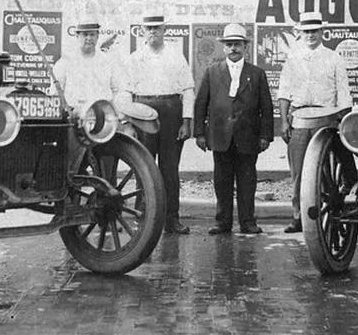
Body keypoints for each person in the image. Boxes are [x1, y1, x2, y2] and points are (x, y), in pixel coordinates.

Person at [116, 13, 194, 235]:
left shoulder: (176, 56)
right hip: (142, 112)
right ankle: (143, 219)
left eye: (157, 28)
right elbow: (125, 93)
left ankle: (172, 220)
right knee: (143, 168)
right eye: (148, 28)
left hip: (171, 112)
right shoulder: (135, 58)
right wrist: (127, 122)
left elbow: (188, 90)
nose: (153, 32)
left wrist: (186, 121)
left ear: (164, 30)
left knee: (170, 169)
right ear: (142, 31)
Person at [193, 24, 274, 235]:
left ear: (245, 47)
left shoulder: (256, 74)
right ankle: (223, 222)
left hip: (248, 136)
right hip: (221, 136)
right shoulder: (212, 72)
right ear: (223, 48)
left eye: (237, 44)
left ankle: (248, 222)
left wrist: (265, 136)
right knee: (222, 181)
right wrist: (200, 133)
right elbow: (201, 104)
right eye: (229, 45)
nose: (233, 49)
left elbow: (266, 107)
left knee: (247, 181)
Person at [276, 11, 352, 233]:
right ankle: (298, 217)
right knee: (298, 172)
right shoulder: (293, 59)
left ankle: (345, 202)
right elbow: (284, 93)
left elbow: (344, 93)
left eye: (314, 31)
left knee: (331, 168)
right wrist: (283, 122)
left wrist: (342, 119)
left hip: (326, 118)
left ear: (322, 32)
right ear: (300, 34)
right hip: (299, 120)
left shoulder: (334, 57)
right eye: (306, 32)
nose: (310, 35)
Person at [51, 22, 120, 107]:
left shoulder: (108, 61)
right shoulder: (65, 61)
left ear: (97, 36)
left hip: (101, 114)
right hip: (73, 114)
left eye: (92, 35)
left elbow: (117, 90)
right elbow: (55, 92)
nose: (89, 38)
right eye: (85, 34)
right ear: (77, 36)